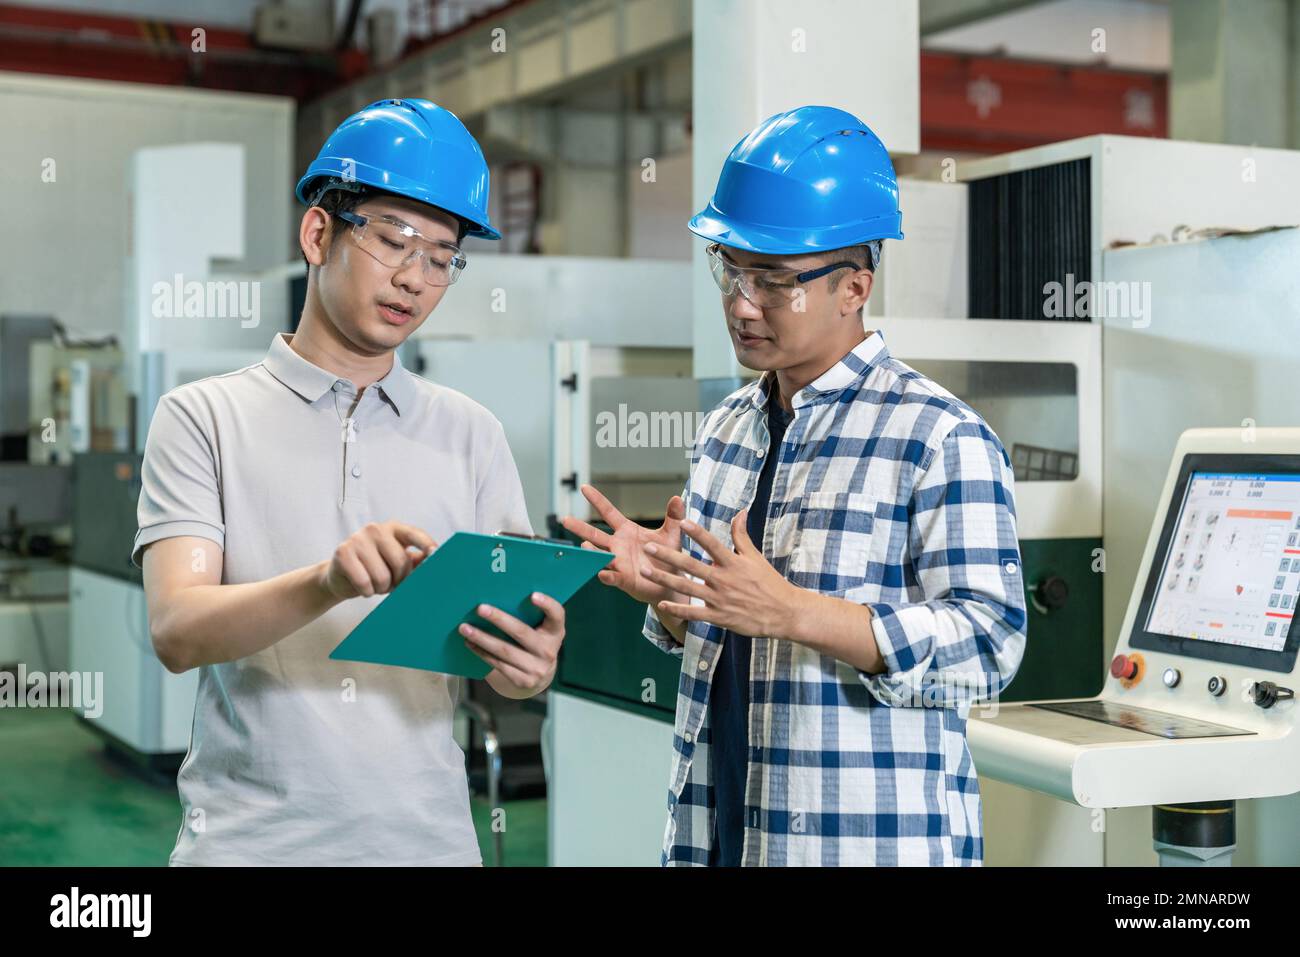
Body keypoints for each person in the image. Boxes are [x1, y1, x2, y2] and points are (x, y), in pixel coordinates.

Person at [562, 105, 1027, 866]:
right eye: (731, 268)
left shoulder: (938, 436)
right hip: (725, 829)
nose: (743, 303)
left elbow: (989, 643)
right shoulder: (726, 430)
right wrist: (673, 597)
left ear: (853, 286)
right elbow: (725, 642)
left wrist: (798, 613)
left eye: (774, 279)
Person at [134, 98, 564, 866]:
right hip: (250, 847)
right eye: (393, 239)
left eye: (441, 257)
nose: (414, 278)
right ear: (317, 233)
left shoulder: (472, 433)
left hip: (428, 845)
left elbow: (507, 652)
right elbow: (176, 629)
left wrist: (526, 668)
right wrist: (325, 580)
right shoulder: (203, 417)